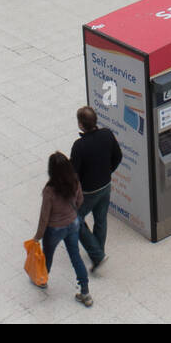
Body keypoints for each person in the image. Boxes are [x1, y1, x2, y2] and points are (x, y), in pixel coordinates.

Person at [32, 152, 92, 307]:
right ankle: (85, 292)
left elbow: (44, 216)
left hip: (54, 229)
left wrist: (38, 236)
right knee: (75, 256)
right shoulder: (74, 181)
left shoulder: (49, 190)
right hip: (72, 224)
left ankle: (43, 280)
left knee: (48, 255)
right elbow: (80, 200)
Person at [70, 107, 120, 271]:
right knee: (101, 219)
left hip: (88, 192)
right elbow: (118, 156)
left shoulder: (79, 146)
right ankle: (99, 252)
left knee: (75, 219)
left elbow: (73, 173)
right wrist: (108, 171)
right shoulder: (107, 134)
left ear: (80, 125)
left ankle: (97, 255)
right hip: (105, 185)